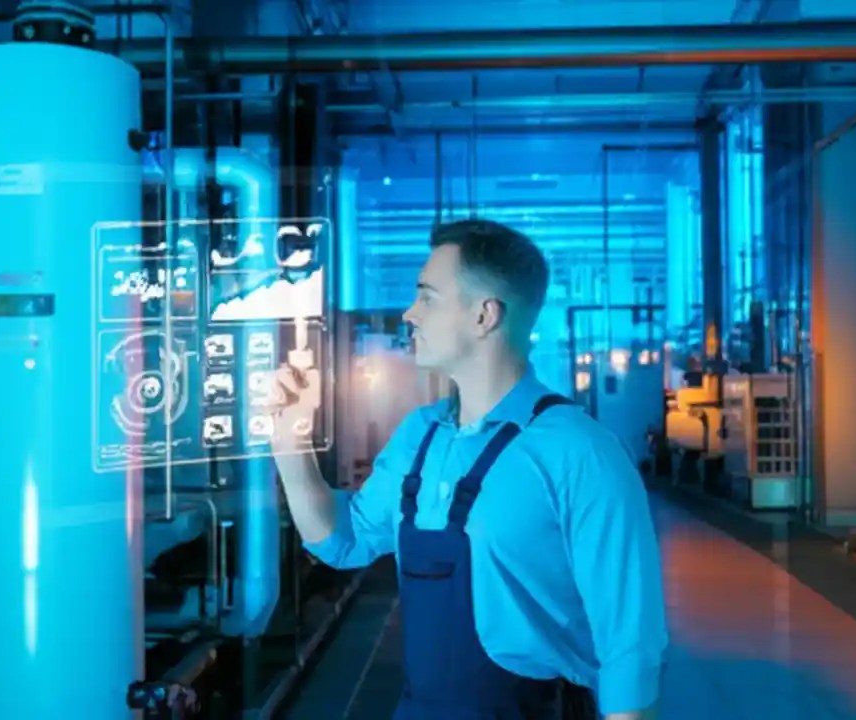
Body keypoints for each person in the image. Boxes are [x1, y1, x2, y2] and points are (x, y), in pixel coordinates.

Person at [270, 219, 667, 719]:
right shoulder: (420, 436)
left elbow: (628, 645)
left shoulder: (581, 452)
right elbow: (343, 540)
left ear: (484, 316)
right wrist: (289, 440)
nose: (410, 313)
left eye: (427, 297)